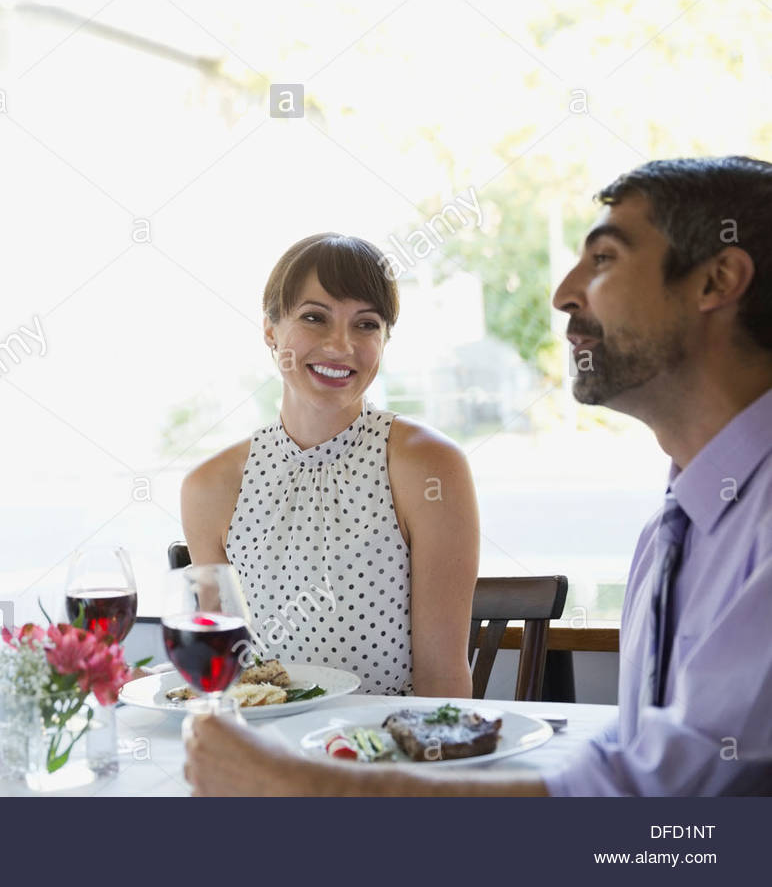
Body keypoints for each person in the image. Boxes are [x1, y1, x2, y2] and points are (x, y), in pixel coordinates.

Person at [184, 156, 772, 796]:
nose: (562, 294)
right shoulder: (673, 527)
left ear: (718, 280)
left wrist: (309, 787)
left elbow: (659, 801)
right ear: (271, 332)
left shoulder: (744, 522)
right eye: (314, 317)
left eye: (604, 259)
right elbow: (639, 769)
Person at [180, 234, 479, 697]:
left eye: (366, 324)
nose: (341, 346)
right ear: (270, 331)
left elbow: (442, 681)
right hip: (260, 756)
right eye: (314, 318)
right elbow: (221, 678)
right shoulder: (209, 487)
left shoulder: (430, 467)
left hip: (380, 755)